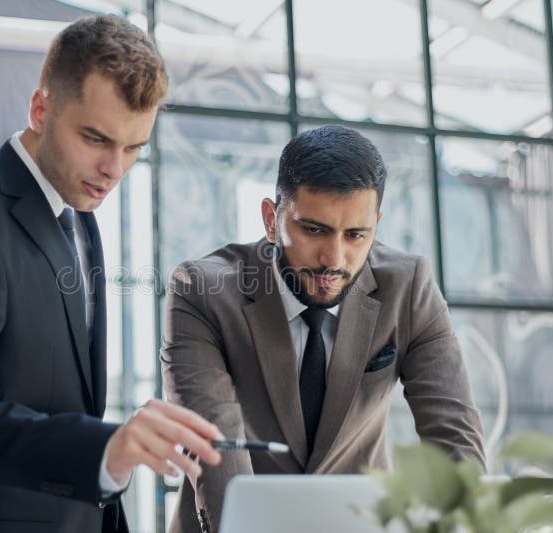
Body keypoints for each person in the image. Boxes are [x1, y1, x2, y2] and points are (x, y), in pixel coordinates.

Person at [0, 15, 223, 533]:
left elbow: (69, 400)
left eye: (134, 147)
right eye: (96, 139)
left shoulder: (79, 217)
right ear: (41, 109)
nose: (114, 168)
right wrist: (105, 450)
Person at [161, 125, 486, 533]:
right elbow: (216, 444)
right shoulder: (203, 291)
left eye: (355, 235)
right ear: (271, 218)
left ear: (376, 225)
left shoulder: (409, 288)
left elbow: (453, 435)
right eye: (313, 230)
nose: (334, 258)